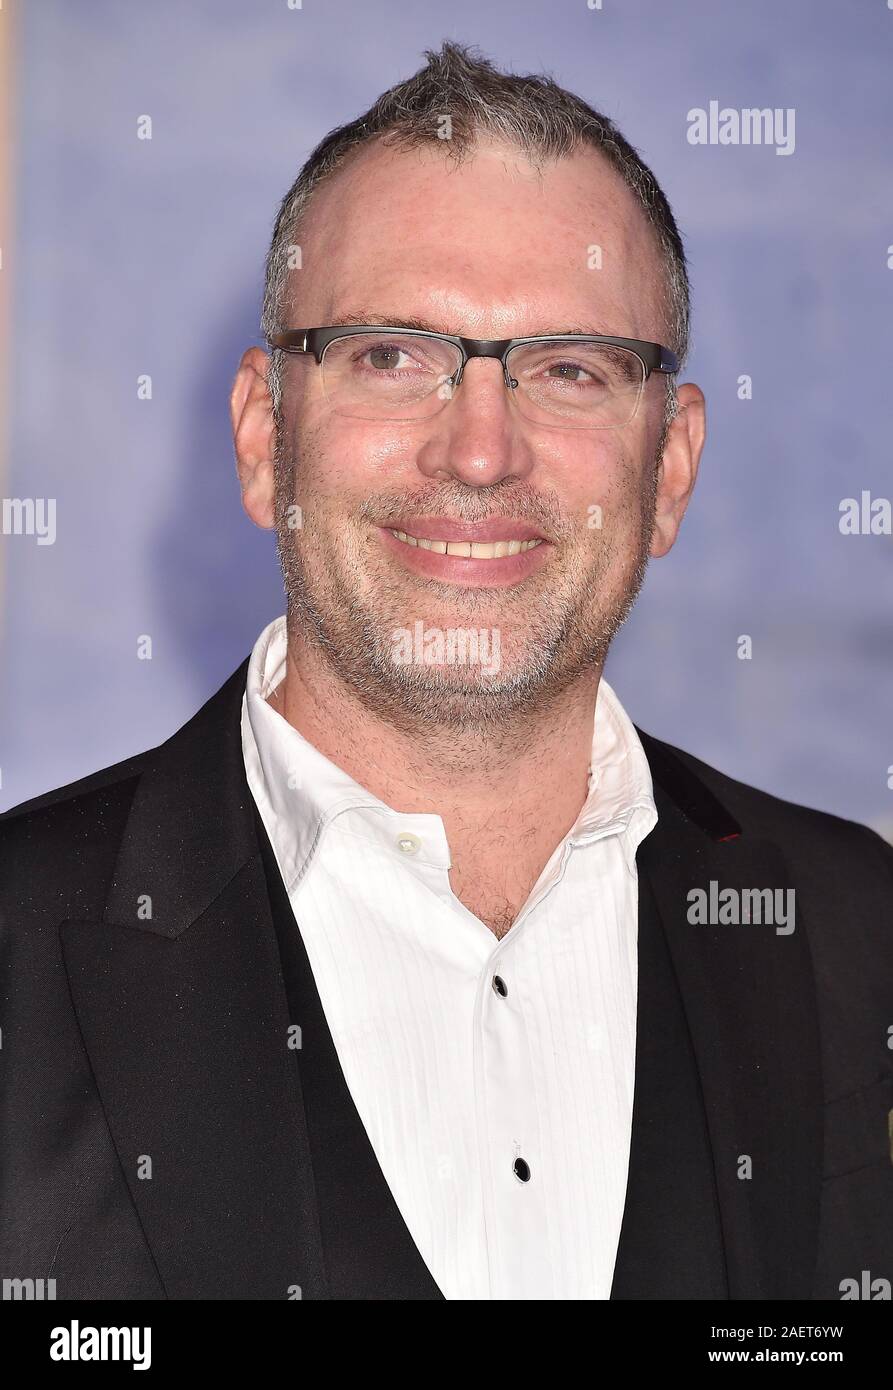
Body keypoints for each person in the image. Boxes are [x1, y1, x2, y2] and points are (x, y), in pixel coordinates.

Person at [1, 41, 891, 1302]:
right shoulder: (19, 949)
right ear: (265, 437)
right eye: (390, 355)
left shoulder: (856, 933)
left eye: (570, 368)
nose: (479, 450)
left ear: (670, 469)